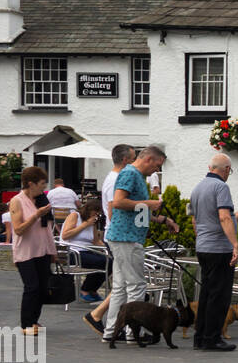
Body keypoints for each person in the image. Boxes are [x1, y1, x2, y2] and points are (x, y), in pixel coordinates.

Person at [102, 145, 176, 344]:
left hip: (124, 236)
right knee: (136, 285)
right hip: (127, 237)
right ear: (149, 159)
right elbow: (117, 202)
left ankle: (111, 331)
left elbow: (137, 210)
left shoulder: (135, 176)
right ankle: (132, 334)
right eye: (157, 166)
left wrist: (161, 220)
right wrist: (149, 204)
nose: (156, 171)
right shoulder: (131, 173)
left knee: (120, 287)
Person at [84, 144, 136, 335]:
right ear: (125, 160)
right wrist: (122, 232)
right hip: (117, 235)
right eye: (133, 159)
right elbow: (114, 209)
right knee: (126, 282)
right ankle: (100, 316)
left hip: (113, 234)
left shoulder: (113, 177)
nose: (135, 163)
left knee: (123, 282)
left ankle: (102, 317)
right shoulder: (117, 179)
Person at [190, 153, 238, 351]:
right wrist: (235, 244)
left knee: (206, 294)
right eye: (230, 170)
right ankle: (212, 338)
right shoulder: (221, 187)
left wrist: (201, 238)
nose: (229, 174)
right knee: (219, 296)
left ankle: (200, 337)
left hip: (203, 247)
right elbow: (224, 217)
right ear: (225, 169)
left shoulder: (197, 188)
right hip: (219, 248)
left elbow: (194, 220)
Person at [9, 165, 57, 336]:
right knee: (32, 287)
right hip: (25, 251)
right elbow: (19, 229)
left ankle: (35, 320)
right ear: (31, 183)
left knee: (43, 288)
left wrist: (53, 251)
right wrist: (36, 215)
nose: (44, 187)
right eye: (42, 183)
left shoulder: (42, 200)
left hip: (42, 250)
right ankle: (26, 324)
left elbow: (47, 229)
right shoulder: (17, 201)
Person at [60, 197, 108, 301]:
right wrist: (85, 225)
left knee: (110, 261)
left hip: (87, 251)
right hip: (72, 252)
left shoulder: (93, 223)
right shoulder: (75, 216)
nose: (96, 216)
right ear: (89, 210)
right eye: (95, 213)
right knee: (101, 261)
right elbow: (65, 235)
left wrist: (108, 249)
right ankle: (85, 290)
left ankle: (92, 289)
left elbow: (95, 241)